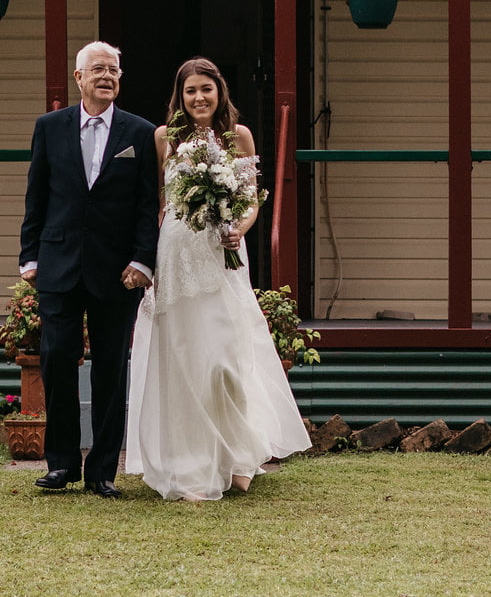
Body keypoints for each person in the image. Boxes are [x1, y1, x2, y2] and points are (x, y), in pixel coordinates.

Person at [126, 57, 312, 501]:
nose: (199, 98)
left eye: (205, 89)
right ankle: (189, 462)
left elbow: (250, 198)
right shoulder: (164, 138)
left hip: (222, 253)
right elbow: (159, 201)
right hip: (176, 254)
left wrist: (239, 229)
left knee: (224, 362)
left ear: (219, 91)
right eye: (190, 90)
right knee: (183, 359)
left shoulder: (238, 136)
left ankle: (237, 455)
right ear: (180, 96)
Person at [18, 41, 160, 498]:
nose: (107, 76)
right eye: (98, 69)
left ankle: (102, 470)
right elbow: (37, 194)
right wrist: (30, 256)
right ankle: (61, 464)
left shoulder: (140, 133)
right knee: (57, 358)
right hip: (58, 263)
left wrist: (142, 260)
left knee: (111, 370)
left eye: (114, 70)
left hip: (117, 271)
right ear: (78, 77)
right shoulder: (49, 127)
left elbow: (147, 204)